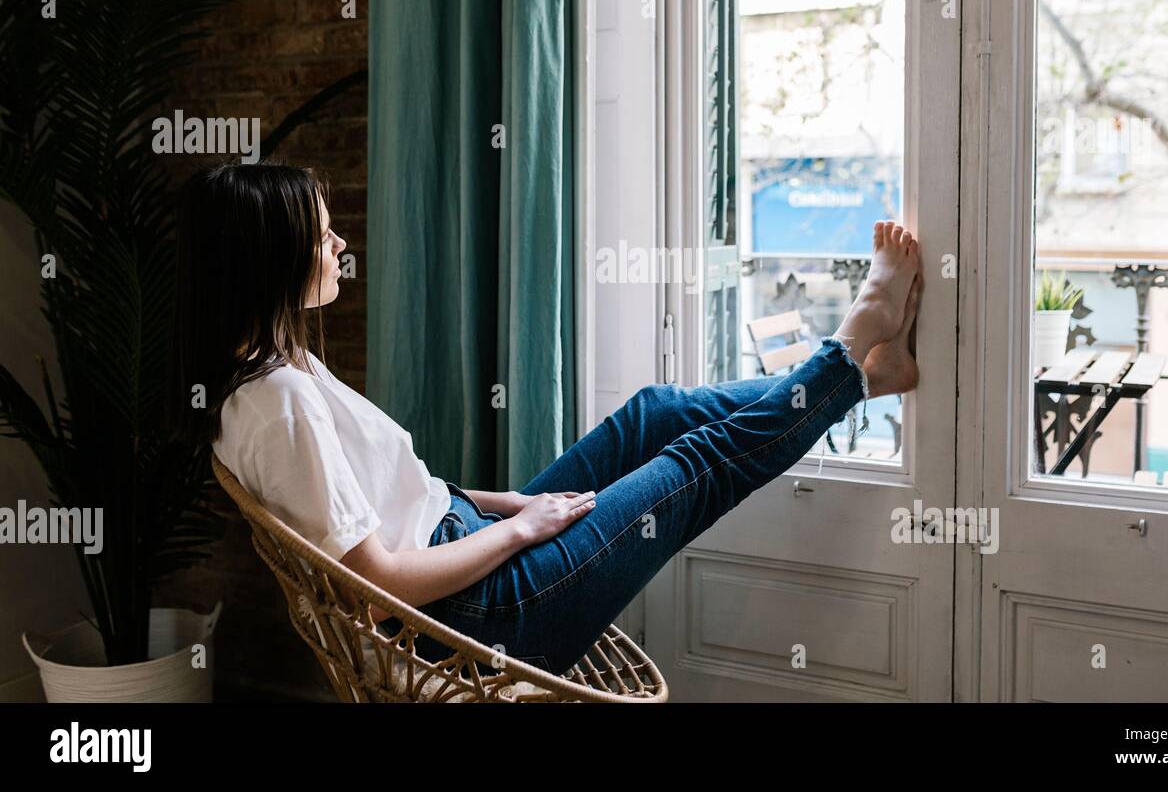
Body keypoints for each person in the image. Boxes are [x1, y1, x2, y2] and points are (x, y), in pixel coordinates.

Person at [172, 163, 922, 676]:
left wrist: (511, 506)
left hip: (467, 554)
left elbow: (407, 495)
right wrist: (522, 530)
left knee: (650, 416)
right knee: (693, 464)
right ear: (267, 259)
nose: (340, 244)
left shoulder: (275, 370)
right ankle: (853, 341)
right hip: (475, 618)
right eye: (322, 234)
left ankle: (853, 376)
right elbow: (378, 583)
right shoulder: (279, 405)